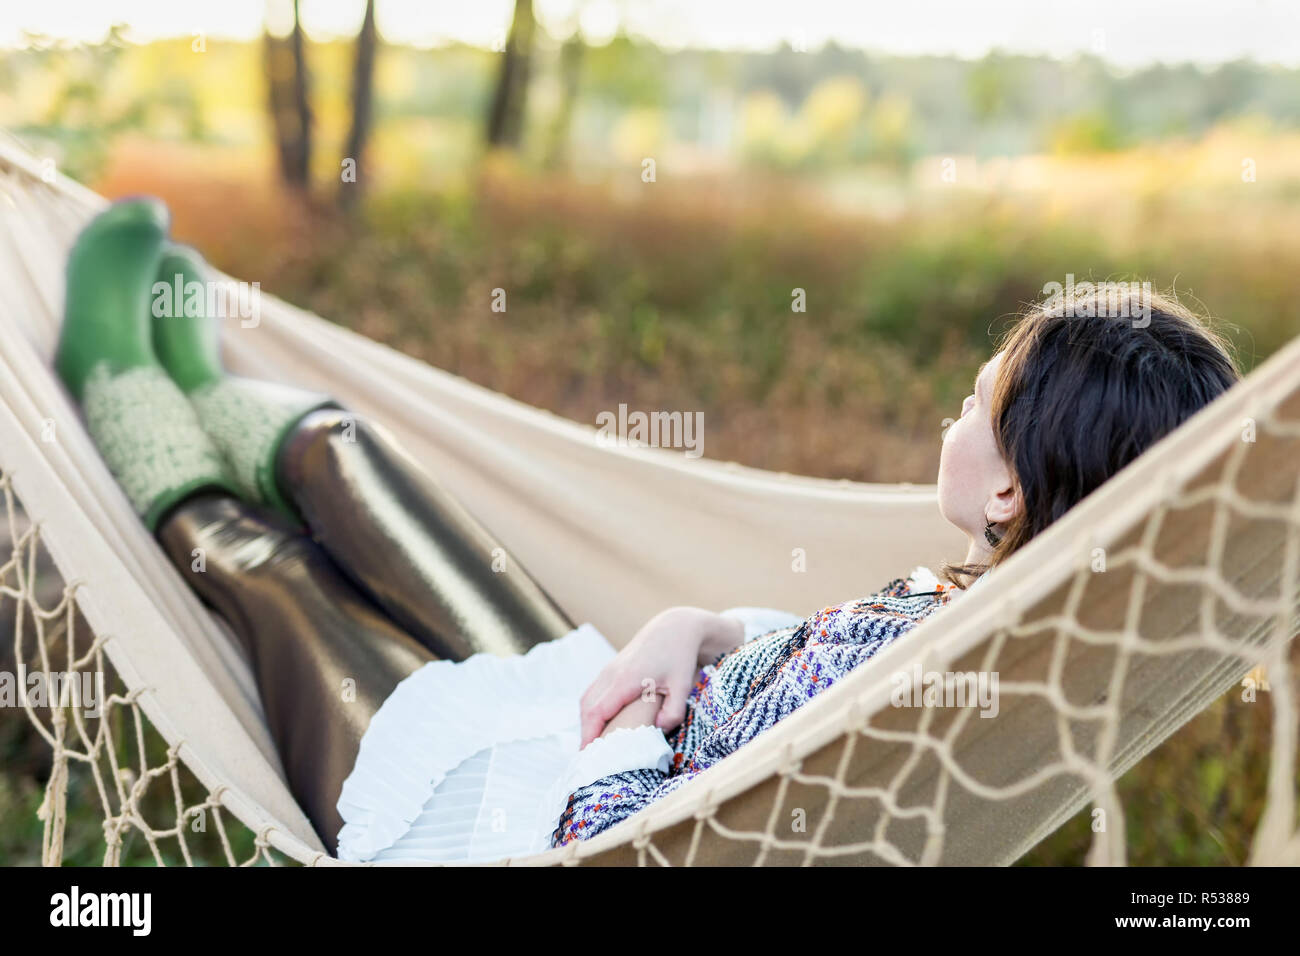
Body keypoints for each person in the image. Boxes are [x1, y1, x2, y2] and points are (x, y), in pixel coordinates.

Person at [56, 198, 1241, 863]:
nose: (949, 410)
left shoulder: (952, 677)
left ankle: (117, 378)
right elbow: (803, 675)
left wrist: (627, 729)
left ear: (1007, 493)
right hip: (591, 719)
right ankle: (199, 379)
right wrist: (700, 622)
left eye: (974, 400)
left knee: (273, 574)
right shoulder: (970, 612)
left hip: (511, 826)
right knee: (341, 457)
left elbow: (634, 849)